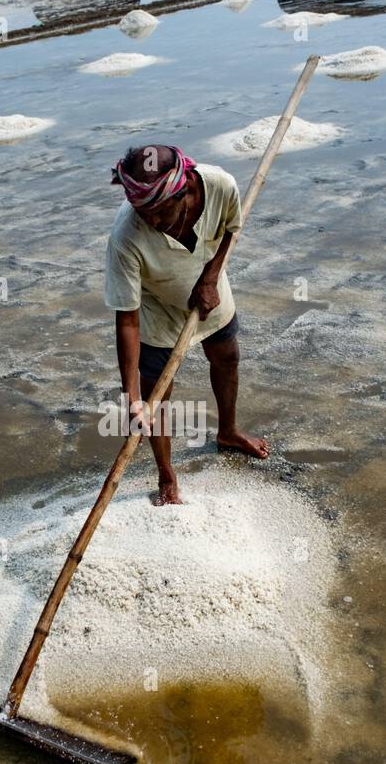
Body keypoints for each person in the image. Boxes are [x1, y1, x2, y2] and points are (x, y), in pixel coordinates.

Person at [105, 144, 270, 506]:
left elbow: (231, 227)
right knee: (157, 397)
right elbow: (127, 318)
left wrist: (211, 277)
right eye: (143, 213)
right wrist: (132, 400)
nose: (151, 222)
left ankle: (228, 431)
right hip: (156, 308)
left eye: (160, 213)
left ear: (185, 190)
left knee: (227, 356)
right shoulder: (125, 237)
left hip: (206, 287)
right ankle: (166, 473)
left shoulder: (220, 185)